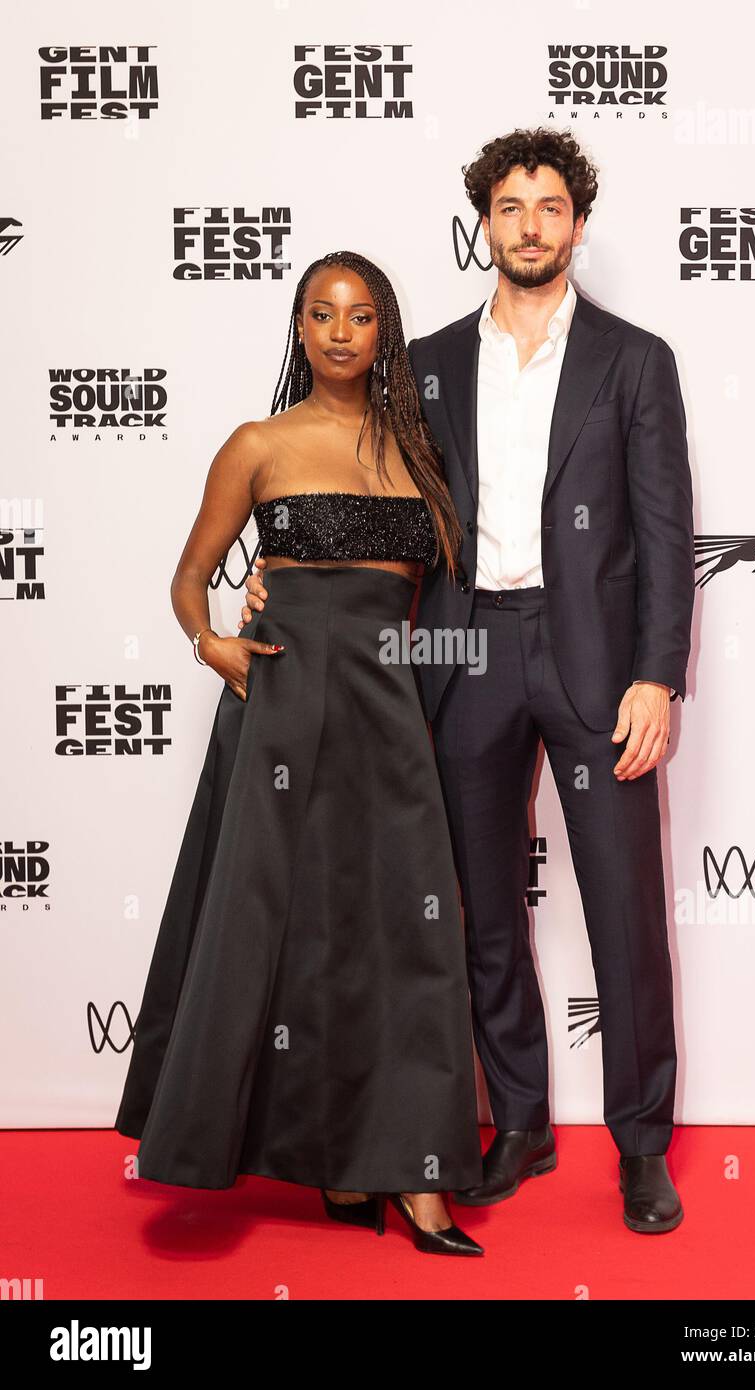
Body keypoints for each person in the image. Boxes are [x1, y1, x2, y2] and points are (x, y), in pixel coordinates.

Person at [241, 129, 696, 1235]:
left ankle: (640, 1147)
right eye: (508, 206)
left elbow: (664, 531)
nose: (529, 224)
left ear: (575, 223)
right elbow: (374, 489)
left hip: (592, 662)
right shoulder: (429, 362)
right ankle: (523, 1123)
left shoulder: (634, 361)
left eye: (548, 206)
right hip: (460, 651)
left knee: (622, 910)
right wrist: (280, 567)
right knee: (481, 912)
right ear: (482, 224)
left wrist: (656, 677)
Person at [114, 250, 485, 1257]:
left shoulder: (419, 455)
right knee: (274, 935)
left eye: (358, 316)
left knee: (403, 939)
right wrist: (213, 641)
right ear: (298, 328)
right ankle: (324, 1157)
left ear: (382, 335)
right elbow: (191, 576)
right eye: (318, 313)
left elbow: (438, 602)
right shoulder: (257, 444)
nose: (336, 332)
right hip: (279, 708)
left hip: (387, 715)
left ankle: (413, 1177)